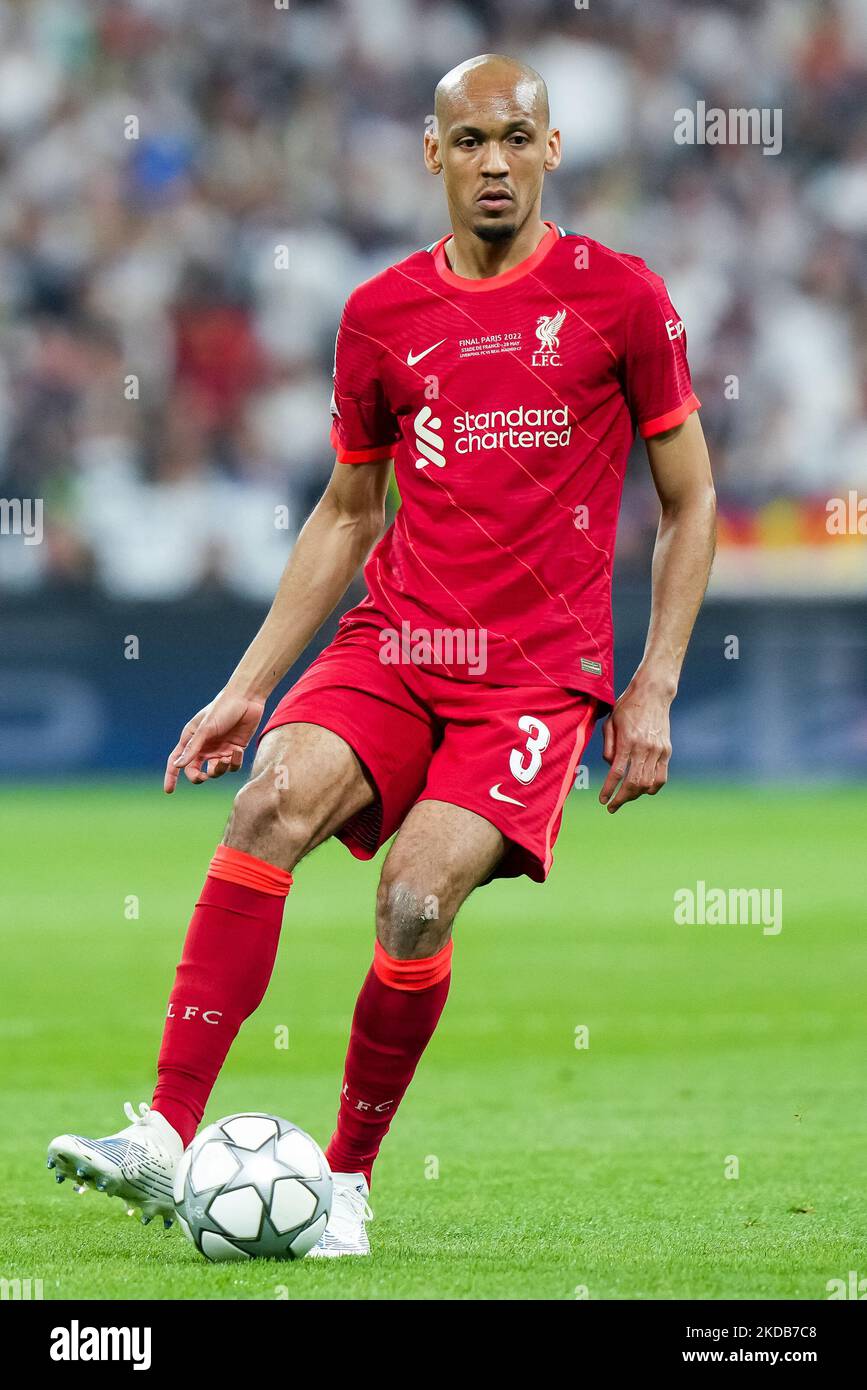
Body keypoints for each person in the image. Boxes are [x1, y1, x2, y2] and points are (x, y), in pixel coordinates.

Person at [47, 53, 716, 1257]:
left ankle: (344, 1179)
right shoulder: (380, 314)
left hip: (533, 672)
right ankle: (163, 1132)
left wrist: (654, 682)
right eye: (470, 142)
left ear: (553, 151)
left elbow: (691, 499)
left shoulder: (623, 300)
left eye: (517, 138)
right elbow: (349, 511)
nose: (496, 162)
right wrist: (245, 687)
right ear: (432, 155)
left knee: (414, 900)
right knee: (267, 803)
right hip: (398, 641)